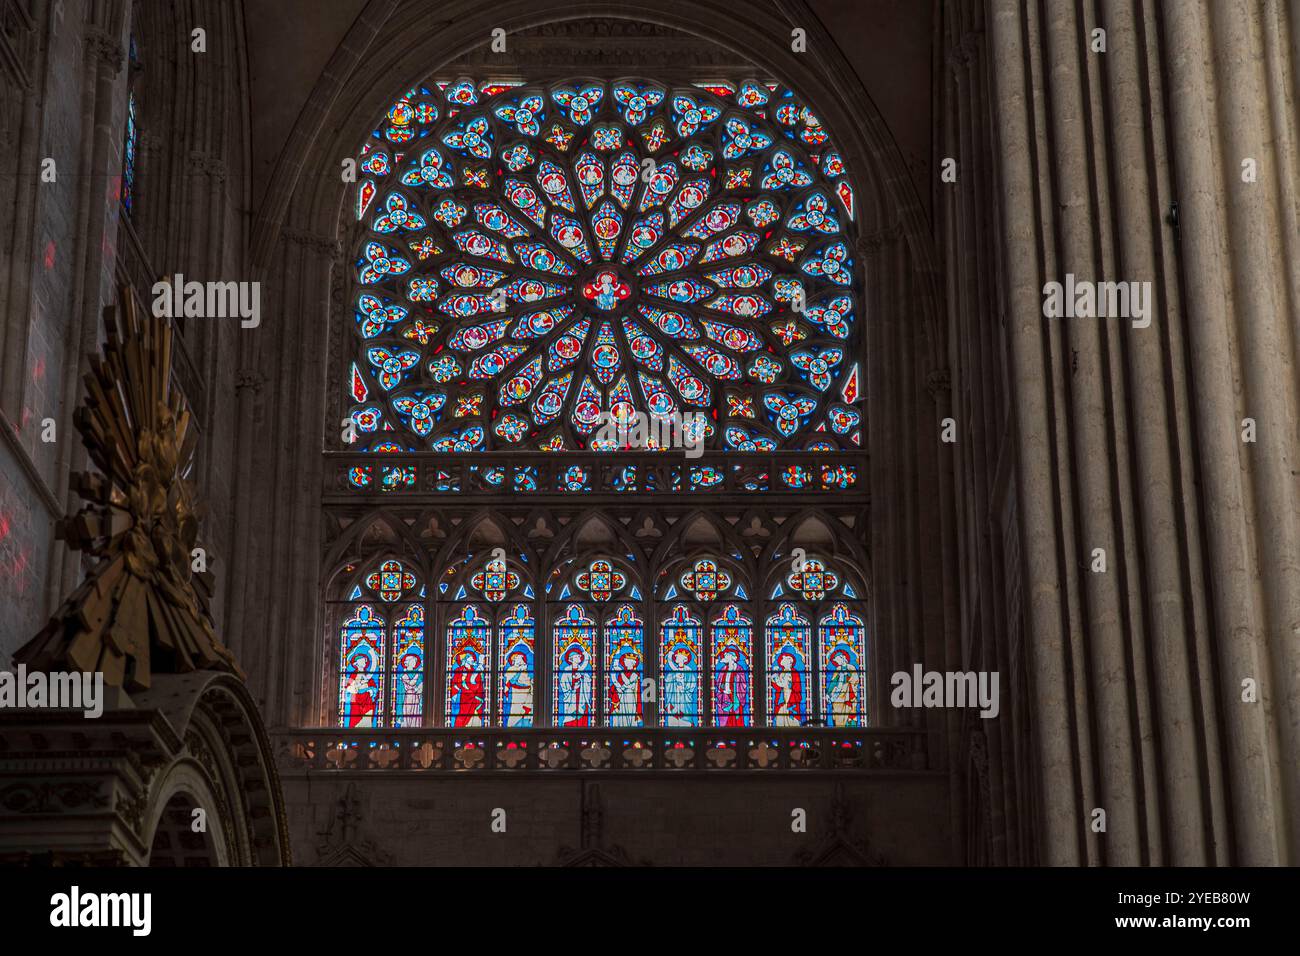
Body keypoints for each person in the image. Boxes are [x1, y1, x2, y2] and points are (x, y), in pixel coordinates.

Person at [714, 646, 749, 727]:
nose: (725, 657)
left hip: (735, 696)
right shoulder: (723, 669)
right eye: (725, 655)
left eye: (727, 655)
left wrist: (734, 687)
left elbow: (743, 683)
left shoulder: (739, 668)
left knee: (736, 714)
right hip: (725, 696)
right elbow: (719, 683)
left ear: (733, 657)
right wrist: (723, 690)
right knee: (726, 714)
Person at [449, 649, 485, 727]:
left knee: (475, 713)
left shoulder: (473, 670)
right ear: (465, 659)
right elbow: (456, 683)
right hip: (465, 696)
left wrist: (480, 672)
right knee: (464, 713)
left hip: (475, 696)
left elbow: (476, 682)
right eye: (471, 658)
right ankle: (460, 728)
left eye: (472, 658)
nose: (473, 659)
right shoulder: (459, 670)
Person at [663, 646, 698, 726]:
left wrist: (683, 686)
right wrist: (675, 678)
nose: (676, 658)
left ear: (684, 659)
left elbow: (692, 684)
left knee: (685, 719)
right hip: (674, 699)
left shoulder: (689, 670)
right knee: (672, 720)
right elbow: (667, 681)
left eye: (678, 656)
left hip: (685, 700)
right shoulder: (673, 671)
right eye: (675, 656)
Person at [559, 646, 592, 726]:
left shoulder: (582, 670)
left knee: (582, 718)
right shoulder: (567, 670)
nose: (579, 658)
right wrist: (573, 688)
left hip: (582, 698)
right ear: (571, 659)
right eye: (577, 656)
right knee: (571, 718)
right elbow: (563, 684)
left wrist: (582, 678)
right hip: (571, 699)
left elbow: (588, 681)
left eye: (579, 656)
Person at [769, 650, 803, 726]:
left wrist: (775, 677)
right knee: (782, 711)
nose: (782, 661)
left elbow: (783, 684)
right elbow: (778, 687)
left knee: (788, 711)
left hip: (790, 695)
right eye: (782, 660)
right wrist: (773, 680)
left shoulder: (792, 672)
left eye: (784, 660)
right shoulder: (782, 672)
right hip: (782, 695)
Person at [608, 651, 642, 726]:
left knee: (629, 715)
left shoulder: (635, 673)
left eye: (625, 660)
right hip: (622, 697)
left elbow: (627, 682)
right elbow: (618, 683)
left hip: (630, 697)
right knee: (622, 715)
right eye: (624, 660)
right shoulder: (623, 672)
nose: (624, 662)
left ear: (632, 662)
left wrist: (620, 671)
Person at [501, 649, 533, 727]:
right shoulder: (511, 669)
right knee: (516, 712)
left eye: (522, 658)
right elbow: (511, 682)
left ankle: (526, 725)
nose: (522, 659)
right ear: (514, 659)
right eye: (519, 657)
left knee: (527, 710)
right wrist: (519, 671)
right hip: (516, 694)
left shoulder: (525, 671)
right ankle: (512, 726)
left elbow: (527, 683)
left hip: (526, 693)